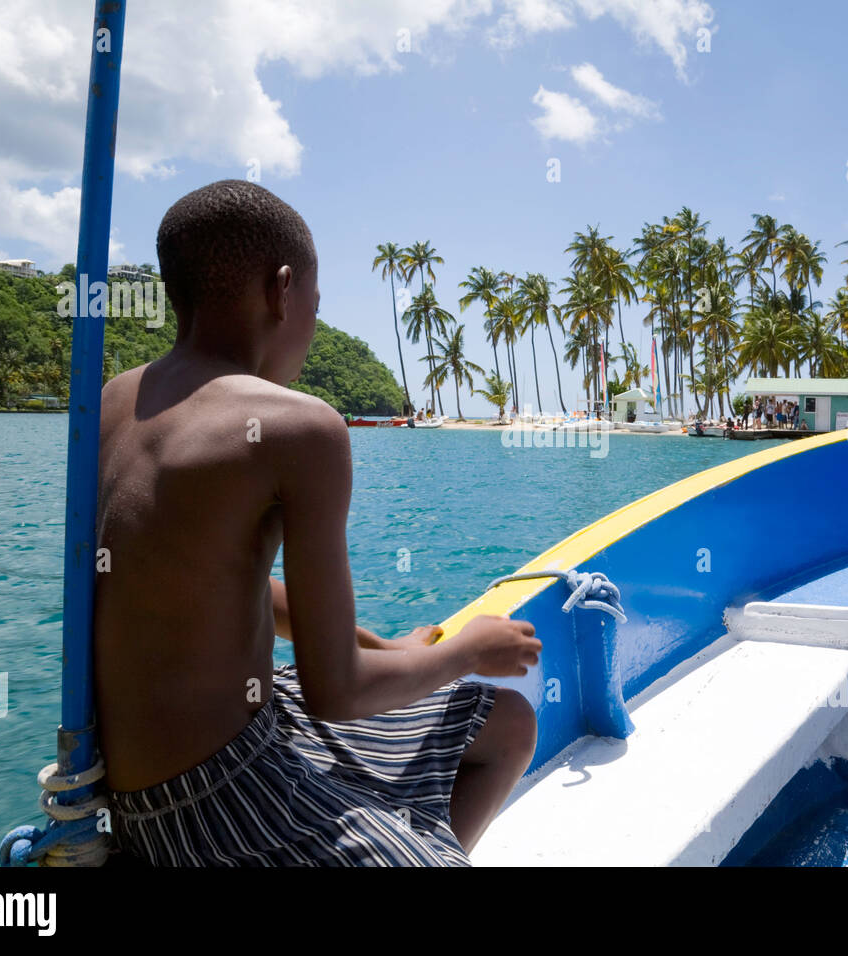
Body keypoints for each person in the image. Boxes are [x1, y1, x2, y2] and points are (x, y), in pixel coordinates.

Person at [94, 181, 541, 866]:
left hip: (170, 770)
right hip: (219, 798)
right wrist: (468, 649)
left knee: (503, 723)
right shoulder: (299, 426)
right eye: (315, 302)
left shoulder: (113, 402)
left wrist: (388, 647)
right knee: (485, 707)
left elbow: (211, 583)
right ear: (281, 290)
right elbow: (338, 693)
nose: (309, 322)